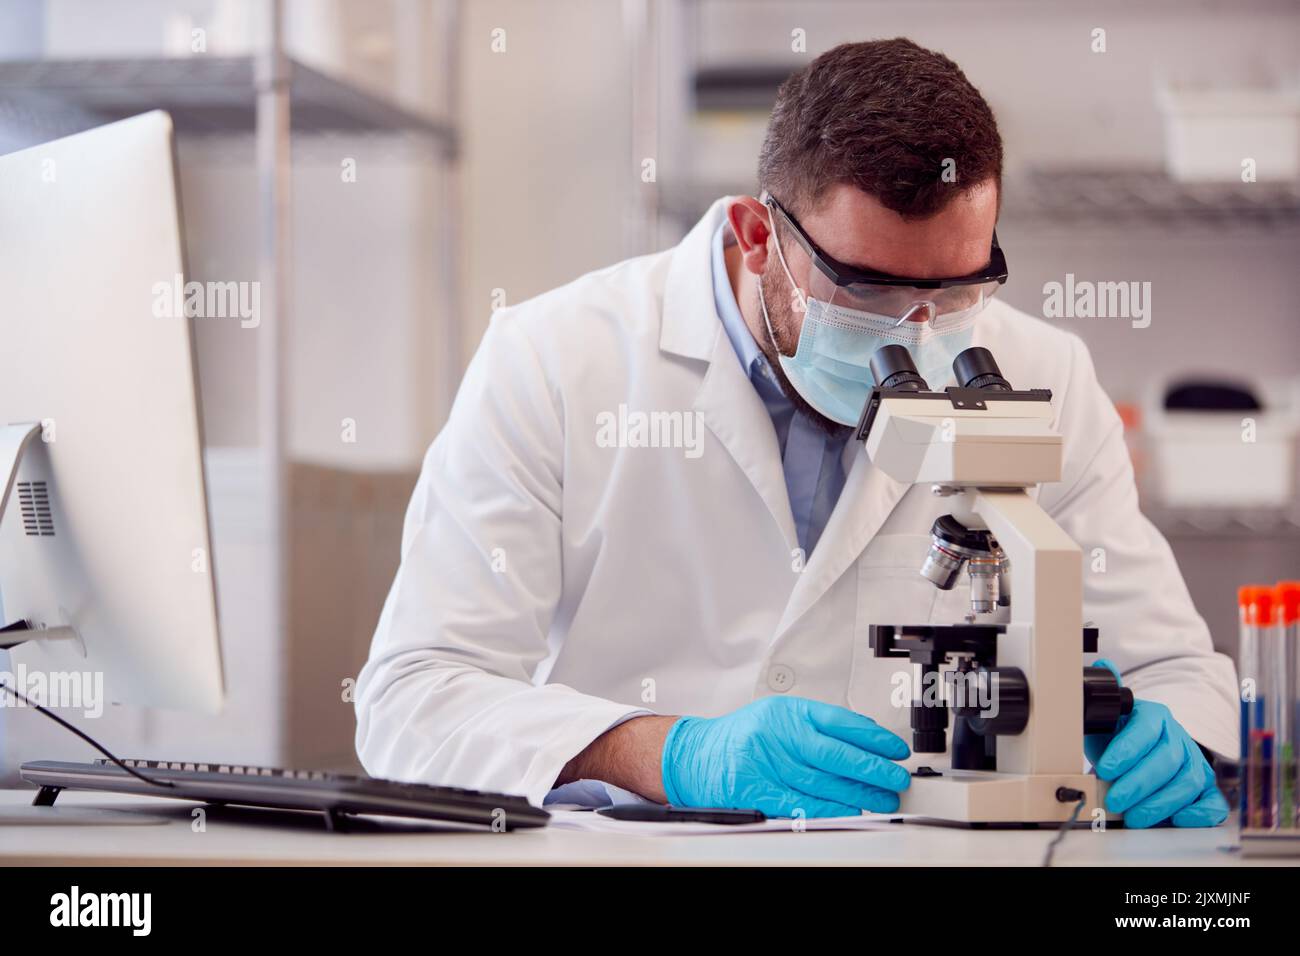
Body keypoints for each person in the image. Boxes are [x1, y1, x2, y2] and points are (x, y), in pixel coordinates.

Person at [355, 39, 1235, 827]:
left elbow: (1174, 671)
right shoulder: (553, 361)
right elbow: (414, 700)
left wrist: (1180, 742)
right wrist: (670, 754)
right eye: (871, 294)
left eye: (959, 292)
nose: (920, 335)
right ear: (755, 235)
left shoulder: (1050, 375)